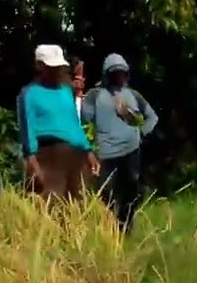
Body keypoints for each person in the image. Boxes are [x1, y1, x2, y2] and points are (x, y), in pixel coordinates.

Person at [81, 53, 158, 234]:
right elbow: (84, 121)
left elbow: (152, 117)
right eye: (114, 73)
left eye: (122, 72)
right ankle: (108, 228)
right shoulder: (95, 95)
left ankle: (126, 227)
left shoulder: (133, 95)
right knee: (105, 193)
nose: (119, 76)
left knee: (131, 191)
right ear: (107, 74)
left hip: (131, 151)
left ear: (126, 74)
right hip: (106, 152)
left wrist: (142, 133)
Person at [17, 44, 99, 200]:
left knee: (78, 205)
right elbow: (28, 131)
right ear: (39, 66)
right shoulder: (29, 93)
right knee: (52, 204)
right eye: (51, 67)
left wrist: (88, 152)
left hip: (75, 156)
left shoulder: (65, 91)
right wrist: (33, 165)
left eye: (58, 67)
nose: (56, 71)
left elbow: (74, 124)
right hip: (48, 155)